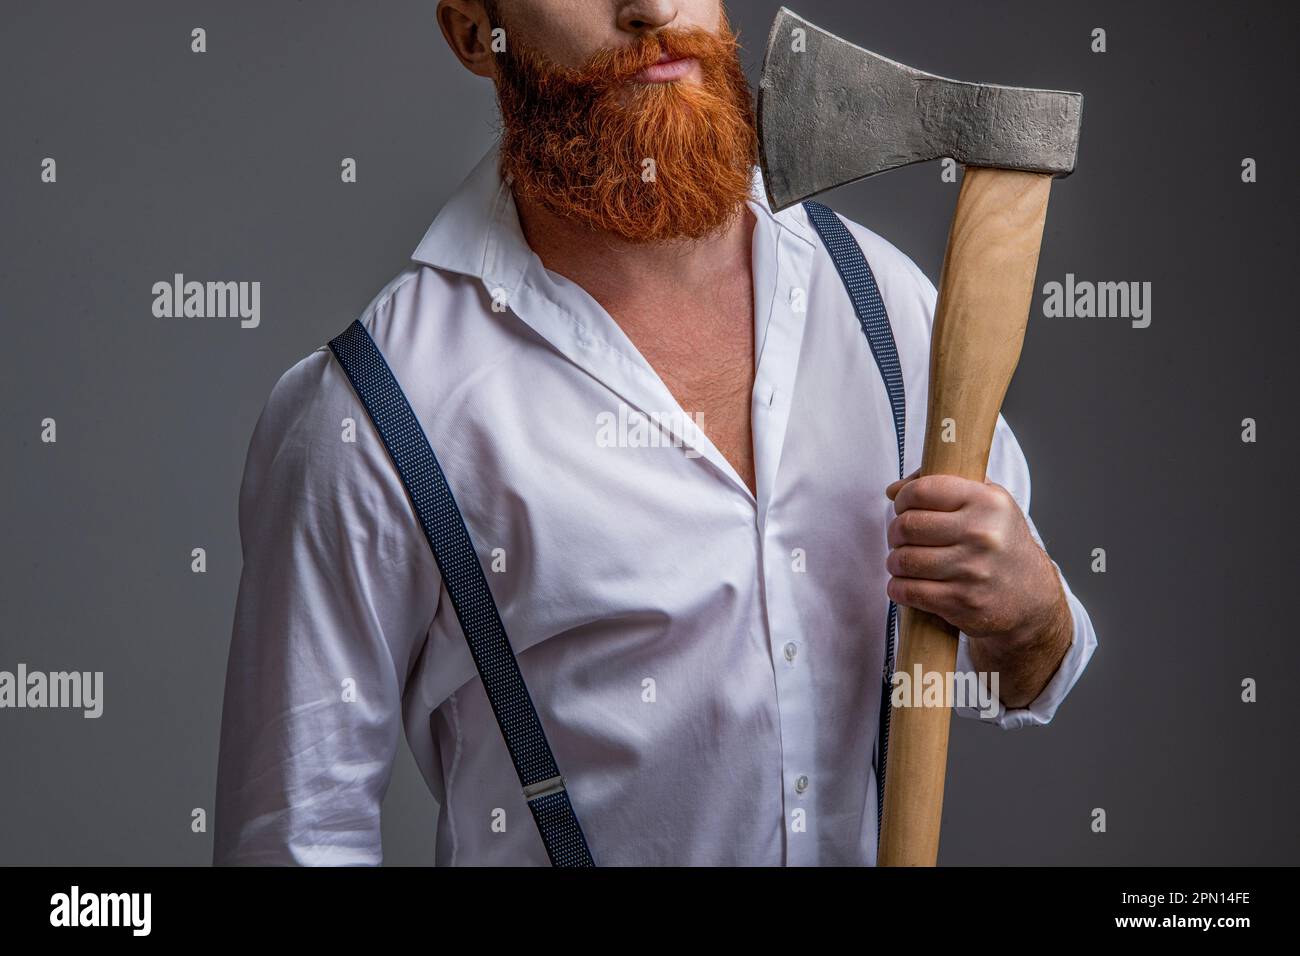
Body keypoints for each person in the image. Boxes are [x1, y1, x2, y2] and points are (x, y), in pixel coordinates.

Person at [213, 0, 1097, 866]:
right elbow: (299, 836)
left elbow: (1024, 668)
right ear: (472, 33)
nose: (650, 8)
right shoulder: (373, 411)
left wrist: (1030, 615)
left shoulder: (884, 306)